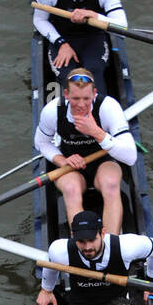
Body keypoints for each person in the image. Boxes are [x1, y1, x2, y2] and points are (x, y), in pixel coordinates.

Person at [36, 209, 153, 305]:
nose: (88, 247)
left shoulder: (126, 246)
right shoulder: (60, 250)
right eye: (81, 242)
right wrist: (46, 290)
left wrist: (152, 282)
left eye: (92, 240)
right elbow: (50, 264)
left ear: (102, 233)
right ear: (72, 236)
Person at [33, 68, 136, 234]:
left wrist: (96, 132)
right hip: (70, 166)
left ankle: (109, 245)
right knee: (71, 189)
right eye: (75, 98)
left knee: (110, 185)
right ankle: (81, 243)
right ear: (66, 94)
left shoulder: (108, 107)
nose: (81, 104)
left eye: (86, 98)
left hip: (103, 162)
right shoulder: (53, 110)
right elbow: (41, 143)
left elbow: (130, 157)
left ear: (94, 93)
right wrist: (61, 160)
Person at [33, 0, 127, 99]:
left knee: (93, 73)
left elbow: (122, 26)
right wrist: (61, 44)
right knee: (68, 77)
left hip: (93, 38)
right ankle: (67, 113)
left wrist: (95, 16)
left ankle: (99, 110)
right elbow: (39, 20)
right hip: (61, 39)